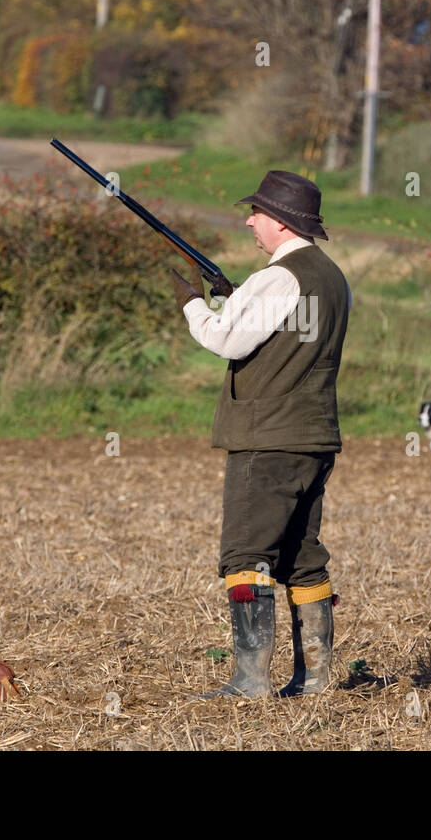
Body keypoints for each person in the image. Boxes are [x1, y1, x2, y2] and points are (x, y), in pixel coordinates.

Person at [170, 170, 350, 698]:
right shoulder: (332, 276)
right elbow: (288, 335)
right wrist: (238, 294)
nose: (249, 220)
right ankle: (314, 678)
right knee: (301, 555)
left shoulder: (280, 277)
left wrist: (191, 304)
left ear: (279, 222)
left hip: (267, 438)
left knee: (245, 556)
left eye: (257, 213)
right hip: (314, 436)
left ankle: (249, 683)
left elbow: (226, 339)